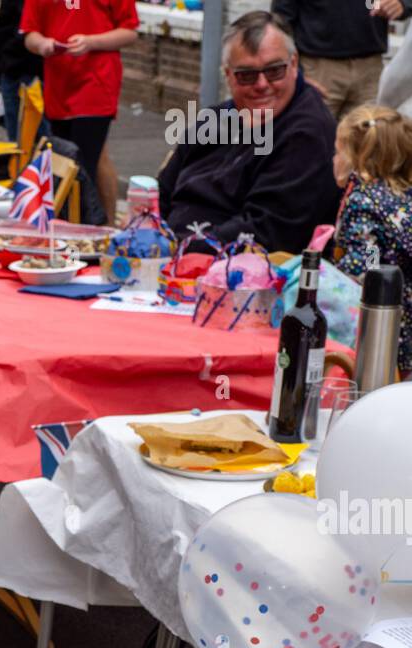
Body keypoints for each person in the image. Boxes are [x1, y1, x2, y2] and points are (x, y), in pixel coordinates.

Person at [158, 10, 341, 253]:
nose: (262, 85)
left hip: (233, 272)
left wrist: (178, 250)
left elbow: (267, 232)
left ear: (294, 64)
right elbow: (160, 192)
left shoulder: (307, 134)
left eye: (274, 70)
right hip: (167, 256)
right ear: (228, 76)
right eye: (247, 76)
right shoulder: (217, 118)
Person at [20, 0, 138, 223]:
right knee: (73, 159)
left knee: (83, 164)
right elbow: (29, 34)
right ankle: (102, 226)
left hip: (97, 82)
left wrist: (91, 42)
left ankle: (86, 227)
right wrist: (42, 44)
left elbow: (130, 32)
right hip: (59, 85)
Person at [333, 104, 412, 374]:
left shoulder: (362, 201)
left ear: (357, 158)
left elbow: (367, 266)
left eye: (337, 151)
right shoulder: (404, 194)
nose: (333, 159)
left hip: (388, 326)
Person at [272, 0, 411, 120]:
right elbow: (281, 18)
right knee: (314, 140)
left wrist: (402, 4)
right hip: (318, 70)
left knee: (368, 144)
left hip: (371, 72)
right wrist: (295, 73)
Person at [0, 0, 41, 144]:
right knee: (18, 137)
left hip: (34, 69)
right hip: (14, 68)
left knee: (40, 135)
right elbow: (4, 26)